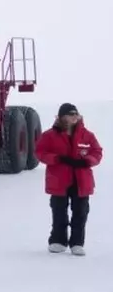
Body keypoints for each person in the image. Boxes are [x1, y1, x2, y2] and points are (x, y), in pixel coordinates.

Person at [35, 103, 102, 256]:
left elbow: (97, 152)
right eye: (70, 114)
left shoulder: (87, 135)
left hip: (81, 181)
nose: (74, 116)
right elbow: (40, 152)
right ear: (61, 117)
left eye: (75, 114)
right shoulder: (49, 135)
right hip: (59, 181)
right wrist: (57, 158)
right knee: (59, 211)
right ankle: (58, 240)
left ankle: (77, 243)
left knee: (80, 212)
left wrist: (88, 161)